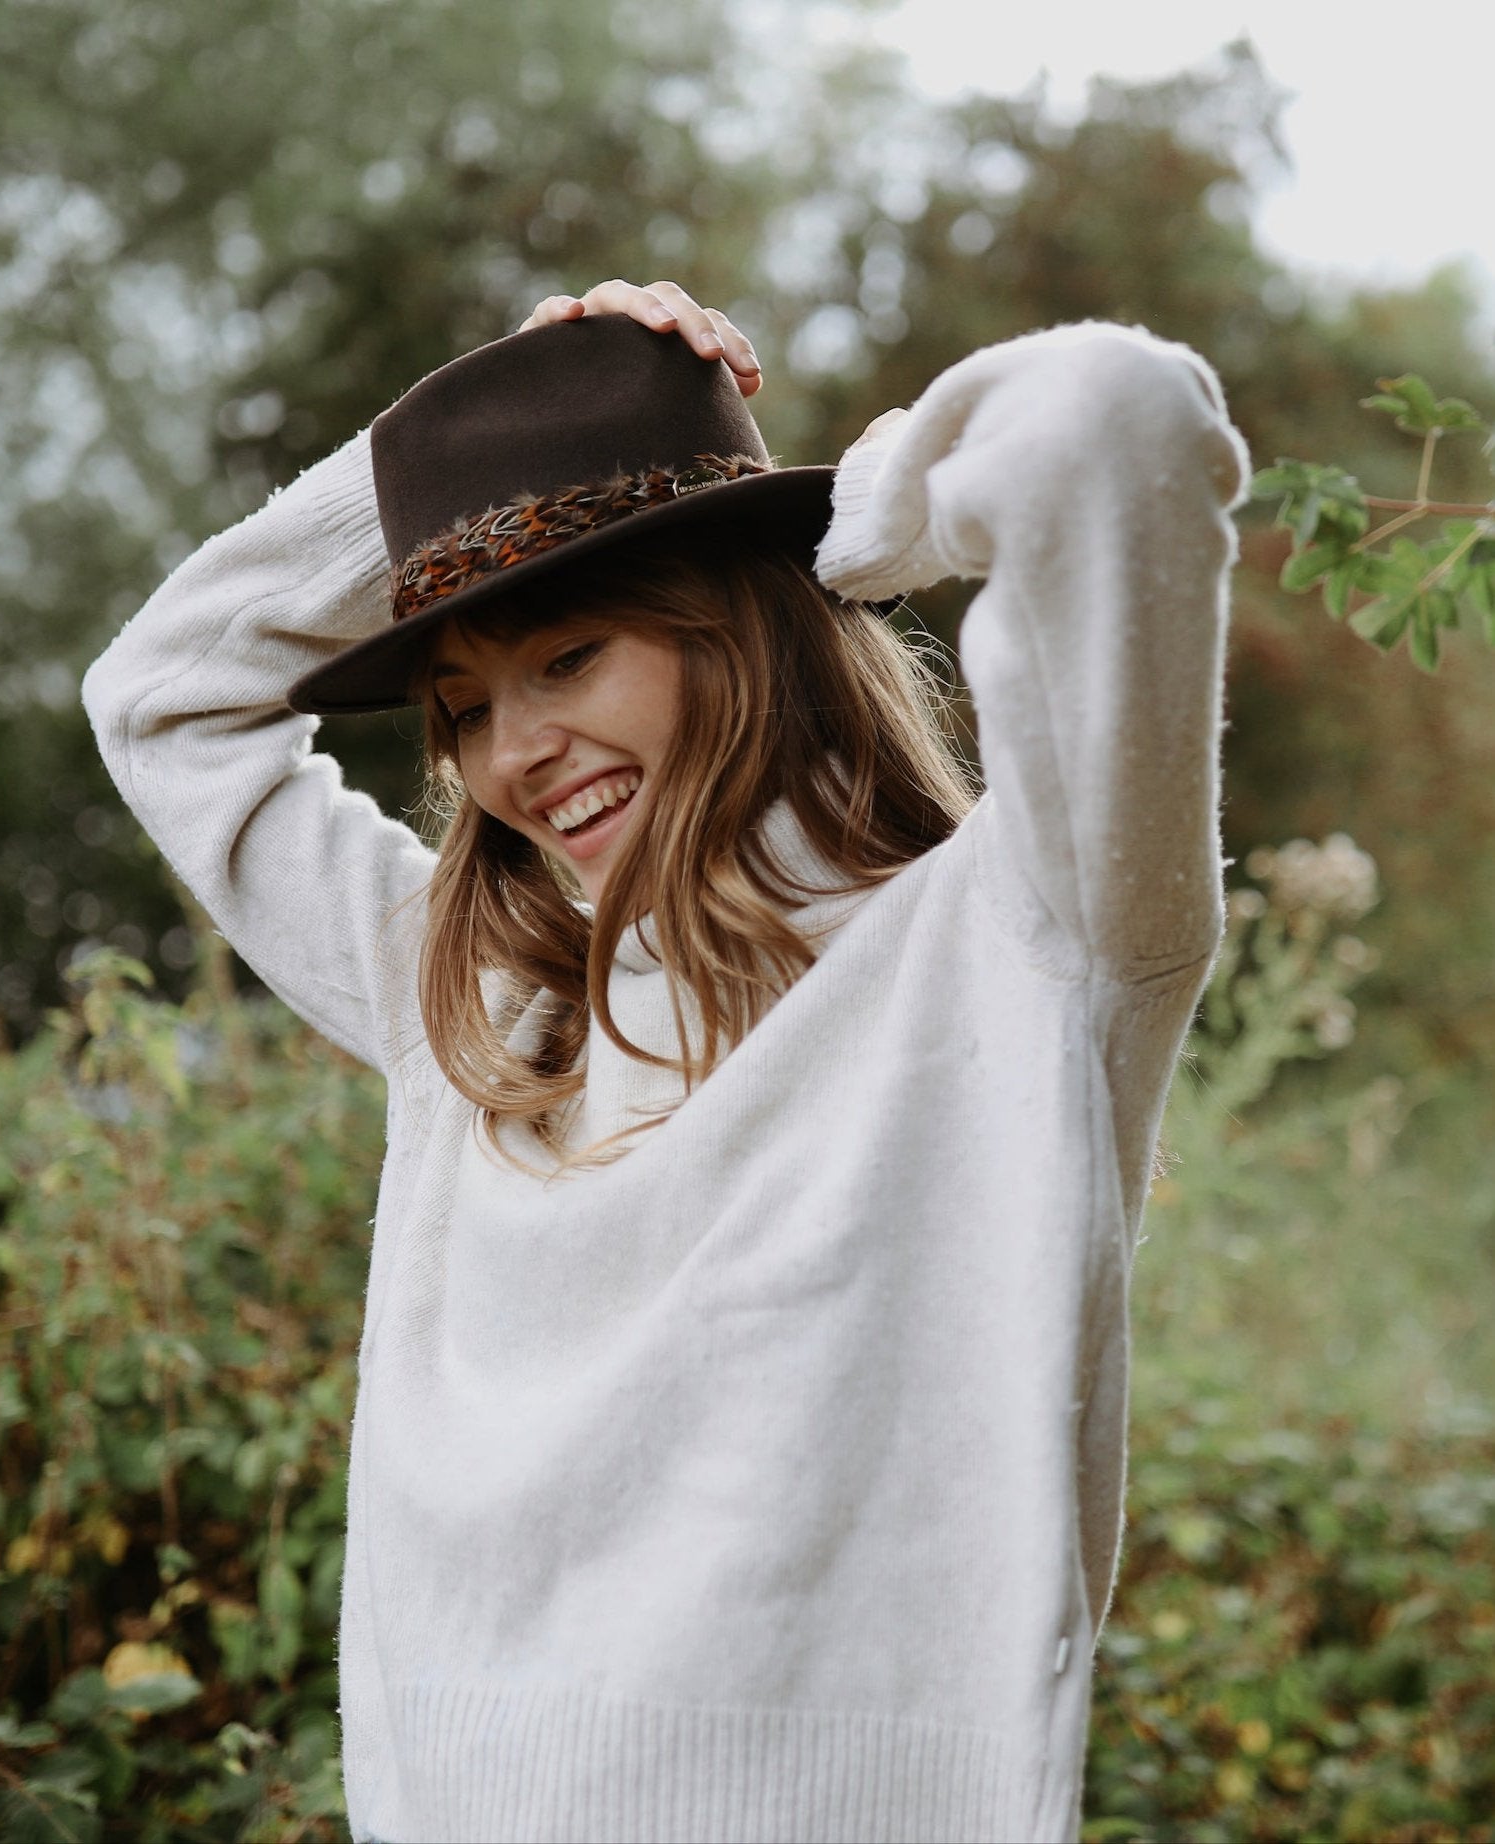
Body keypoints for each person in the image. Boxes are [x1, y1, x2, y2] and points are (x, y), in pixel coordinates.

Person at [83, 277, 1249, 1844]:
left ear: (744, 615)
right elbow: (160, 702)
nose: (511, 757)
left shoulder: (1028, 946)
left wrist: (852, 534)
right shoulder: (488, 1018)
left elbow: (1118, 420)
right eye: (464, 706)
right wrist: (472, 437)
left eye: (567, 657)